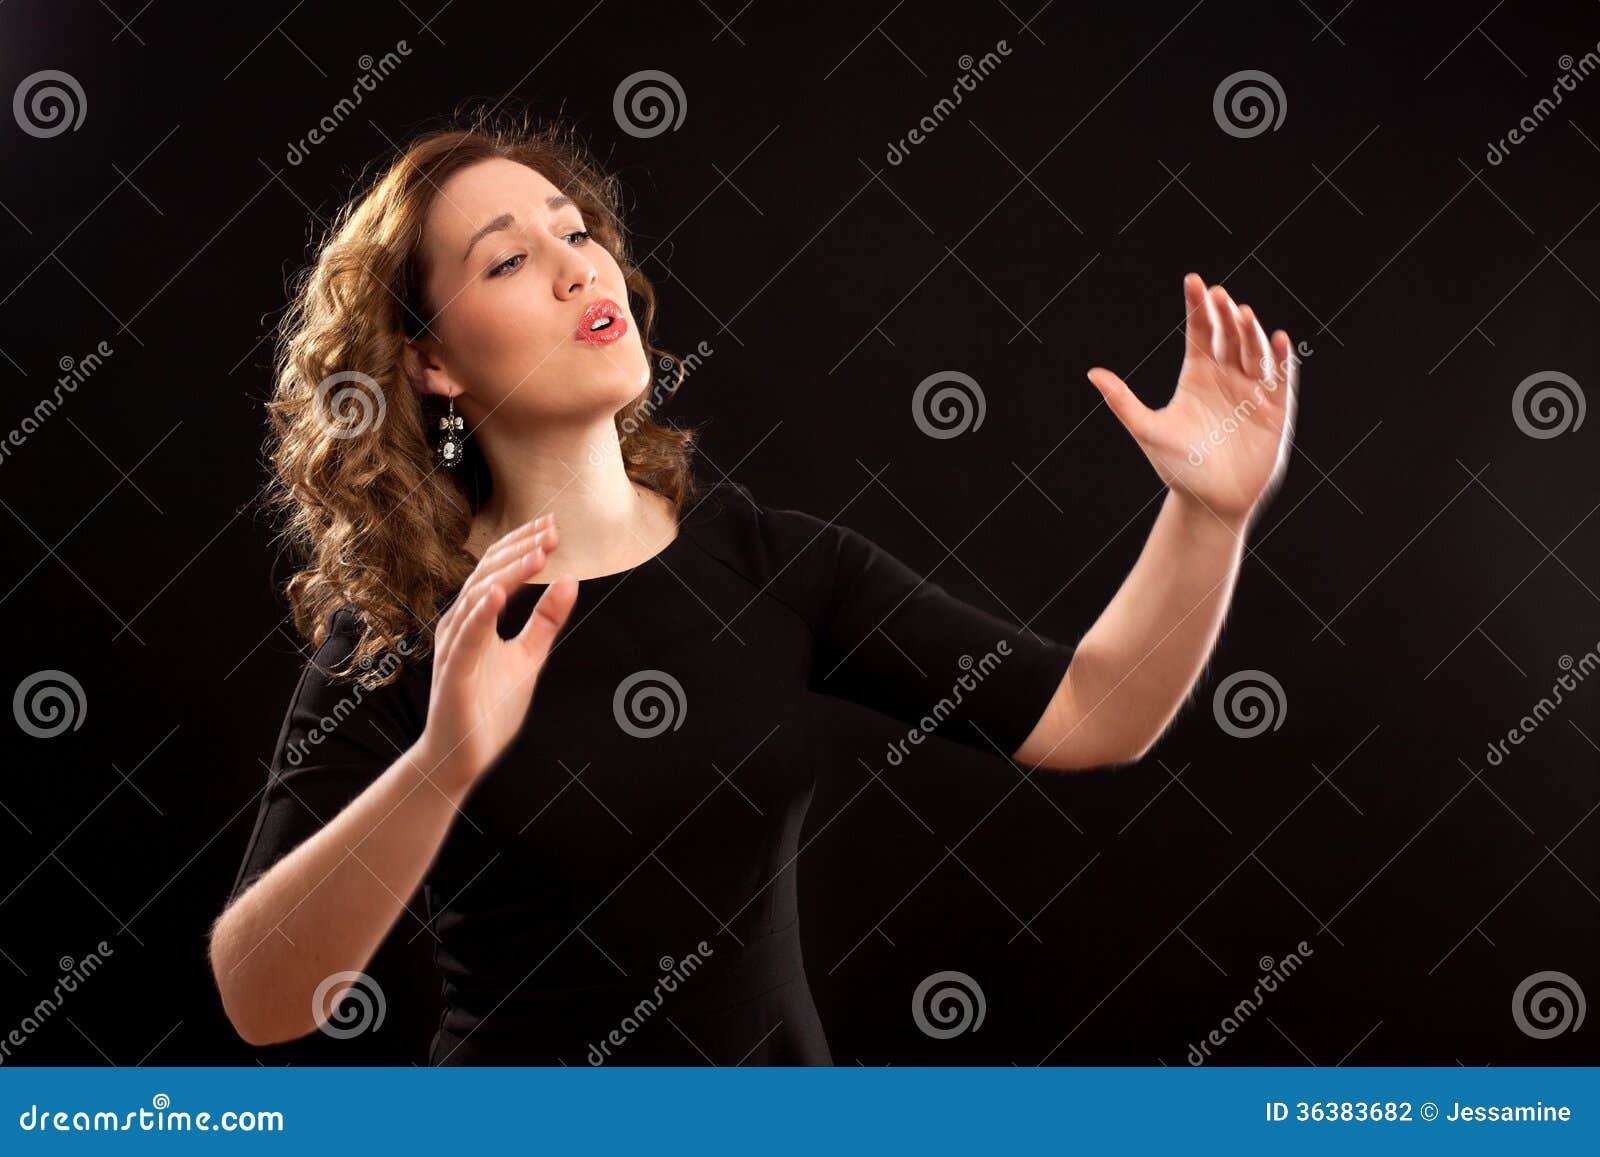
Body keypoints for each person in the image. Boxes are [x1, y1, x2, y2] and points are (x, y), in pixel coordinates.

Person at [206, 111, 1298, 1065]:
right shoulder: (402, 629)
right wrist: (444, 764)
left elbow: (1095, 711)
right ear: (431, 363)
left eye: (576, 231)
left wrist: (1206, 514)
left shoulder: (774, 565)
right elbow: (262, 1001)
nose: (579, 266)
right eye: (505, 262)